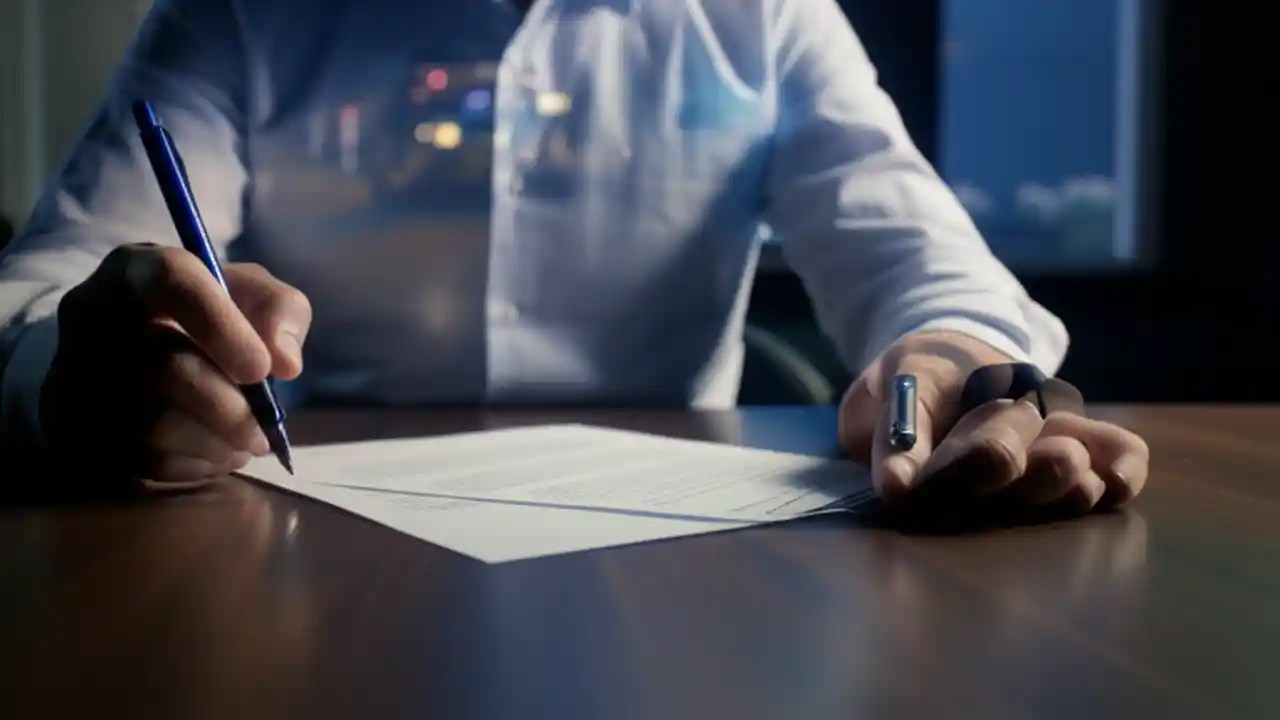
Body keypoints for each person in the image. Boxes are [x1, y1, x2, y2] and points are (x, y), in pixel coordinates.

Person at [0, 0, 1147, 516]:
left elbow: (928, 269)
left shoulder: (764, 18)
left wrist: (952, 361)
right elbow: (36, 293)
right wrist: (80, 365)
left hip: (681, 572)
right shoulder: (244, 12)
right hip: (306, 533)